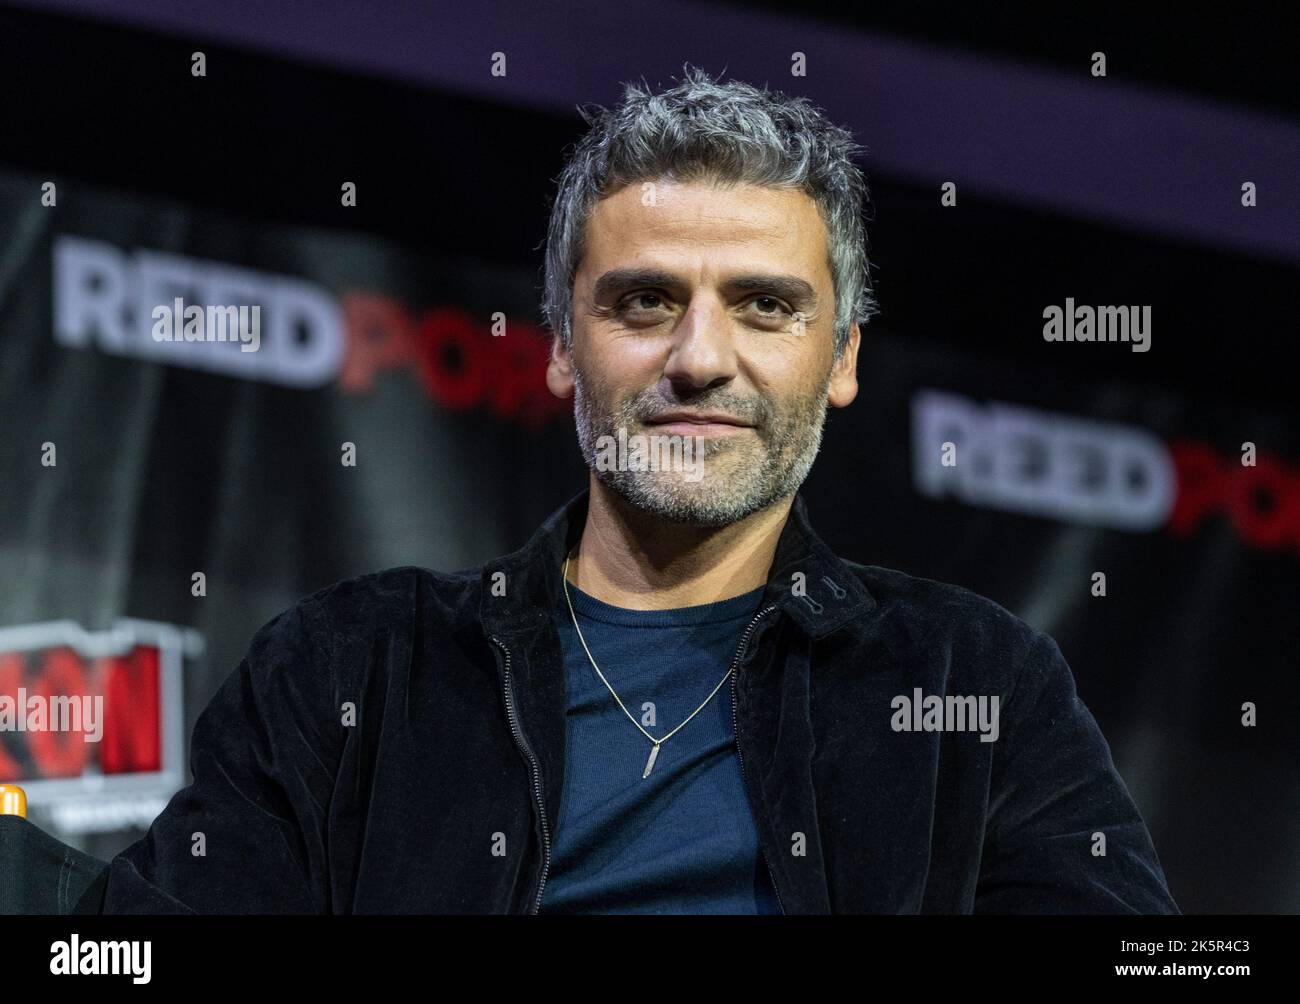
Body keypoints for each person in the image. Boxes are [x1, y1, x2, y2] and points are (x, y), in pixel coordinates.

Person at [99, 66, 1178, 914]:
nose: (700, 357)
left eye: (764, 305)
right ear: (563, 347)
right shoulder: (354, 666)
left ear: (842, 357)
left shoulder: (973, 678)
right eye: (646, 301)